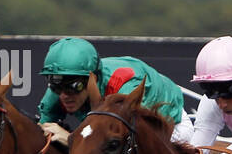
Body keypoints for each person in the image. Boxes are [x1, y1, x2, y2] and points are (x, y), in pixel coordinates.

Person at [36, 37, 193, 145]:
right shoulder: (60, 90)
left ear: (94, 79)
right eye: (57, 86)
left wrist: (71, 139)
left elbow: (122, 144)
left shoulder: (124, 87)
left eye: (74, 86)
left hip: (169, 124)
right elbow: (43, 132)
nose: (64, 95)